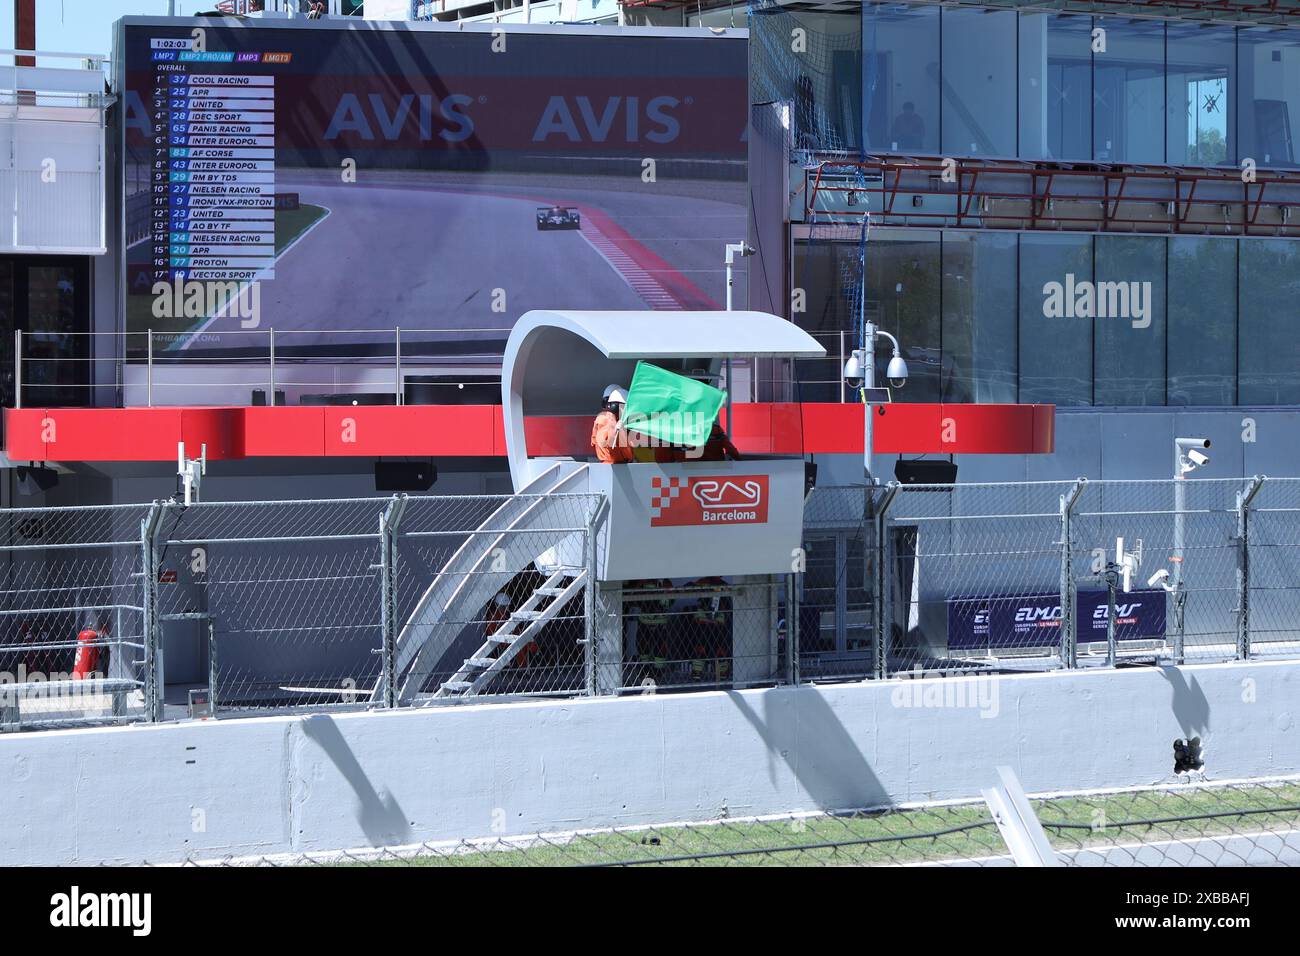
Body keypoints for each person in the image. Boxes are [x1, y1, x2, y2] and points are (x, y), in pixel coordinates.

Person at [591, 384, 634, 464]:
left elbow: (593, 442)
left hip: (607, 464)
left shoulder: (600, 418)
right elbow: (612, 445)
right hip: (618, 466)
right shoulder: (613, 423)